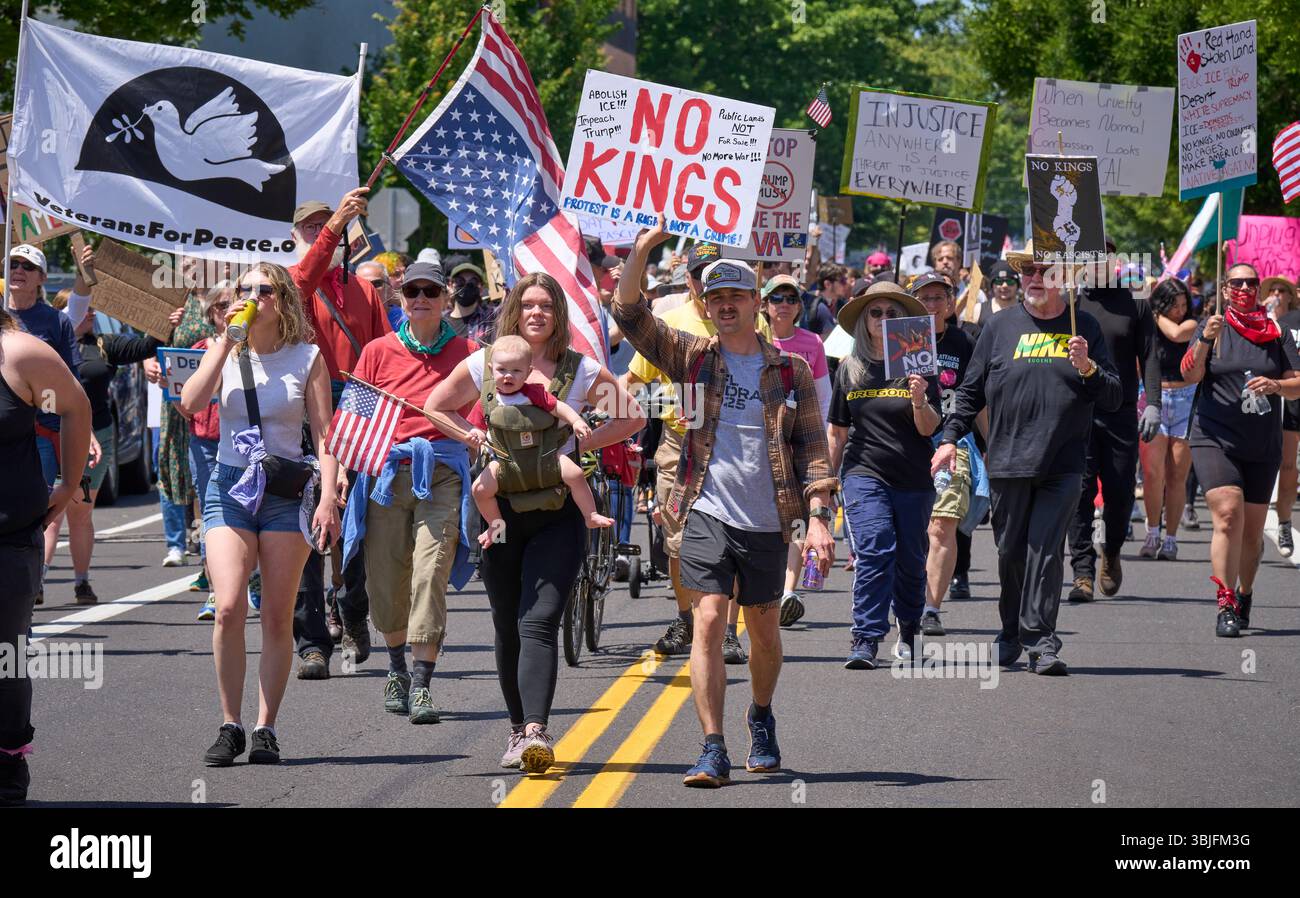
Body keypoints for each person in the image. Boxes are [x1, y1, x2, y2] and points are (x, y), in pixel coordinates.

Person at [613, 217, 836, 788]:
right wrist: (642, 250)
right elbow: (631, 317)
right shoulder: (694, 358)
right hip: (706, 509)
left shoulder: (791, 370)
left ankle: (759, 714)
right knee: (709, 620)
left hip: (768, 519)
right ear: (706, 303)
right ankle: (712, 745)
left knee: (763, 634)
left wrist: (817, 520)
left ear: (755, 301)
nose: (726, 304)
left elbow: (813, 448)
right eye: (717, 296)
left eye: (737, 294)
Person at [428, 273, 643, 773]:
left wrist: (571, 447)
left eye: (547, 306)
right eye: (528, 305)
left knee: (539, 619)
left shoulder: (580, 370)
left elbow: (631, 417)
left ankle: (536, 731)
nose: (537, 314)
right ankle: (515, 728)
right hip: (500, 514)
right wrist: (474, 439)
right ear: (514, 311)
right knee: (506, 622)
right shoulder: (484, 363)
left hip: (556, 514)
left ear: (559, 314)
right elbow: (437, 407)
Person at [933, 245, 1122, 675]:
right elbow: (970, 392)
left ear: (1065, 279)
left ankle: (1042, 641)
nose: (1036, 278)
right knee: (1010, 554)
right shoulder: (998, 327)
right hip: (1008, 462)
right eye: (1029, 271)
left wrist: (1088, 366)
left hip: (1063, 463)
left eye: (1047, 271)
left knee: (1045, 552)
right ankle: (1010, 632)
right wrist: (948, 439)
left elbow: (1112, 396)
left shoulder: (1084, 327)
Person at [182, 263, 341, 766]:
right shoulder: (221, 349)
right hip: (230, 486)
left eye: (263, 290)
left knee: (277, 614)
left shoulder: (307, 357)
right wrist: (226, 343)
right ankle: (229, 724)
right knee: (228, 606)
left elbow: (325, 435)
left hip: (285, 490)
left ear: (283, 301)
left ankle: (265, 727)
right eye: (244, 289)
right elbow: (190, 402)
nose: (252, 297)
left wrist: (329, 496)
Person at [341, 260, 478, 724]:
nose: (420, 299)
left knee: (429, 571)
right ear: (400, 299)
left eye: (430, 291)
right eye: (412, 291)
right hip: (383, 473)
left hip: (442, 472)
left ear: (445, 299)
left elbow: (478, 418)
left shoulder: (467, 352)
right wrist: (343, 471)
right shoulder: (378, 351)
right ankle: (396, 666)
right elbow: (354, 416)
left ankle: (421, 682)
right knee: (384, 578)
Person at [622, 250, 773, 664]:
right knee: (679, 541)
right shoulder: (671, 322)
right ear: (689, 280)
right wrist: (625, 424)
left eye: (724, 284)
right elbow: (635, 381)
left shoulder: (751, 321)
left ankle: (726, 630)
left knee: (735, 537)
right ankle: (686, 617)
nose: (705, 284)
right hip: (680, 442)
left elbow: (769, 377)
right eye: (699, 276)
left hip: (736, 443)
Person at [289, 189, 391, 676]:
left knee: (353, 522)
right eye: (310, 227)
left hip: (354, 408)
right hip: (301, 412)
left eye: (325, 225)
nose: (319, 231)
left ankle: (351, 610)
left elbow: (379, 359)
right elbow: (306, 277)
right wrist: (335, 230)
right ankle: (311, 641)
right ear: (295, 237)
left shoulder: (365, 289)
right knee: (305, 523)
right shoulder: (288, 284)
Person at [0, 299, 92, 806]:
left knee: (4, 654)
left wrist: (68, 482)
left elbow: (75, 407)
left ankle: (8, 760)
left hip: (9, 534)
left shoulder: (20, 354)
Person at [1180, 263, 1300, 637]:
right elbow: (1189, 374)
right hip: (1214, 436)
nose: (1245, 287)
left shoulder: (1276, 332)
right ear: (1226, 288)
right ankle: (1225, 600)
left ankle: (1246, 593)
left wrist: (1278, 387)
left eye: (1251, 282)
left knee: (1250, 535)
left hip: (1261, 443)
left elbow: (1298, 383)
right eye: (1238, 282)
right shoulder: (1212, 327)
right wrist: (1204, 340)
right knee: (1228, 515)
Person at [828, 281, 940, 668]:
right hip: (863, 472)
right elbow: (837, 433)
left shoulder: (921, 365)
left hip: (913, 476)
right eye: (876, 312)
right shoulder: (849, 369)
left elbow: (929, 429)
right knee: (875, 547)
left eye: (892, 313)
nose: (883, 319)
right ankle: (865, 637)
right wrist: (825, 484)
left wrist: (919, 398)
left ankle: (909, 625)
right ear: (864, 320)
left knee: (910, 559)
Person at [47, 286, 164, 605]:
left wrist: (162, 323)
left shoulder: (103, 344)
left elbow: (144, 347)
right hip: (53, 437)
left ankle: (81, 582)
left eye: (91, 309)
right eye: (83, 309)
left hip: (98, 433)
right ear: (63, 312)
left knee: (81, 513)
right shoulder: (49, 347)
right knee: (51, 513)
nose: (91, 313)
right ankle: (37, 581)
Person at [1066, 245, 1162, 601]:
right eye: (1089, 257)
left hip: (1120, 410)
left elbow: (1150, 356)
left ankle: (1113, 550)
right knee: (1080, 492)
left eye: (1103, 256)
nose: (1096, 263)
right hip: (1080, 410)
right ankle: (1082, 571)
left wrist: (1153, 404)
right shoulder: (1072, 302)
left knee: (1120, 493)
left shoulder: (1135, 301)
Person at [458, 334, 612, 541]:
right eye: (502, 370)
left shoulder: (535, 393)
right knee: (479, 489)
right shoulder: (488, 400)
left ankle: (590, 515)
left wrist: (576, 421)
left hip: (546, 456)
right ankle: (496, 526)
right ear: (490, 369)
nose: (508, 376)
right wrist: (475, 434)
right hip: (506, 462)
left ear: (528, 372)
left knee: (575, 474)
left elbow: (558, 407)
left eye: (516, 371)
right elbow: (475, 426)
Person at [909, 272, 983, 636]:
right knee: (913, 529)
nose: (932, 305)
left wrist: (992, 447)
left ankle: (931, 608)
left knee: (942, 525)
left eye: (939, 297)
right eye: (924, 297)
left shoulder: (965, 343)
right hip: (905, 444)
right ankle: (906, 597)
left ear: (951, 302)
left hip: (952, 444)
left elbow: (977, 399)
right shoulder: (901, 341)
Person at [759, 274, 831, 628]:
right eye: (776, 298)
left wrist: (821, 441)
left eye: (790, 298)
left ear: (800, 306)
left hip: (797, 440)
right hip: (761, 441)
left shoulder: (812, 342)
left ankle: (788, 591)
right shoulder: (753, 340)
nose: (784, 304)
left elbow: (823, 396)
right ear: (765, 306)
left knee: (798, 517)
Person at [1138, 278, 1198, 561]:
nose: (1180, 310)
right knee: (1152, 474)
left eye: (1184, 304)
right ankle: (1152, 533)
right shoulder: (1147, 323)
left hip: (1186, 400)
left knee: (1177, 475)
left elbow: (1175, 334)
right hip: (1154, 398)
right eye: (1174, 304)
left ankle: (1171, 539)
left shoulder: (1191, 325)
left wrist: (1155, 312)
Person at [188, 283, 234, 620]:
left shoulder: (256, 348)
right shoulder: (197, 350)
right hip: (204, 441)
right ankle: (217, 591)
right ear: (211, 313)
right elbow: (184, 405)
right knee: (211, 514)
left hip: (244, 444)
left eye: (233, 303)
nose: (227, 310)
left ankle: (256, 577)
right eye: (220, 306)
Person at [1263, 276, 1300, 557]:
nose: (1276, 293)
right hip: (1289, 401)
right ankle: (1285, 523)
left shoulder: (1297, 319)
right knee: (1287, 468)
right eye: (1272, 290)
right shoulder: (1271, 325)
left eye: (1281, 290)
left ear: (1291, 295)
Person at [445, 261, 497, 345]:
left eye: (472, 282)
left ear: (481, 288)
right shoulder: (440, 323)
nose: (466, 286)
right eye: (460, 281)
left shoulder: (491, 318)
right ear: (451, 285)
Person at [356, 259, 404, 331]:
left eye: (376, 284)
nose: (370, 289)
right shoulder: (351, 321)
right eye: (362, 285)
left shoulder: (405, 322)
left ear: (389, 289)